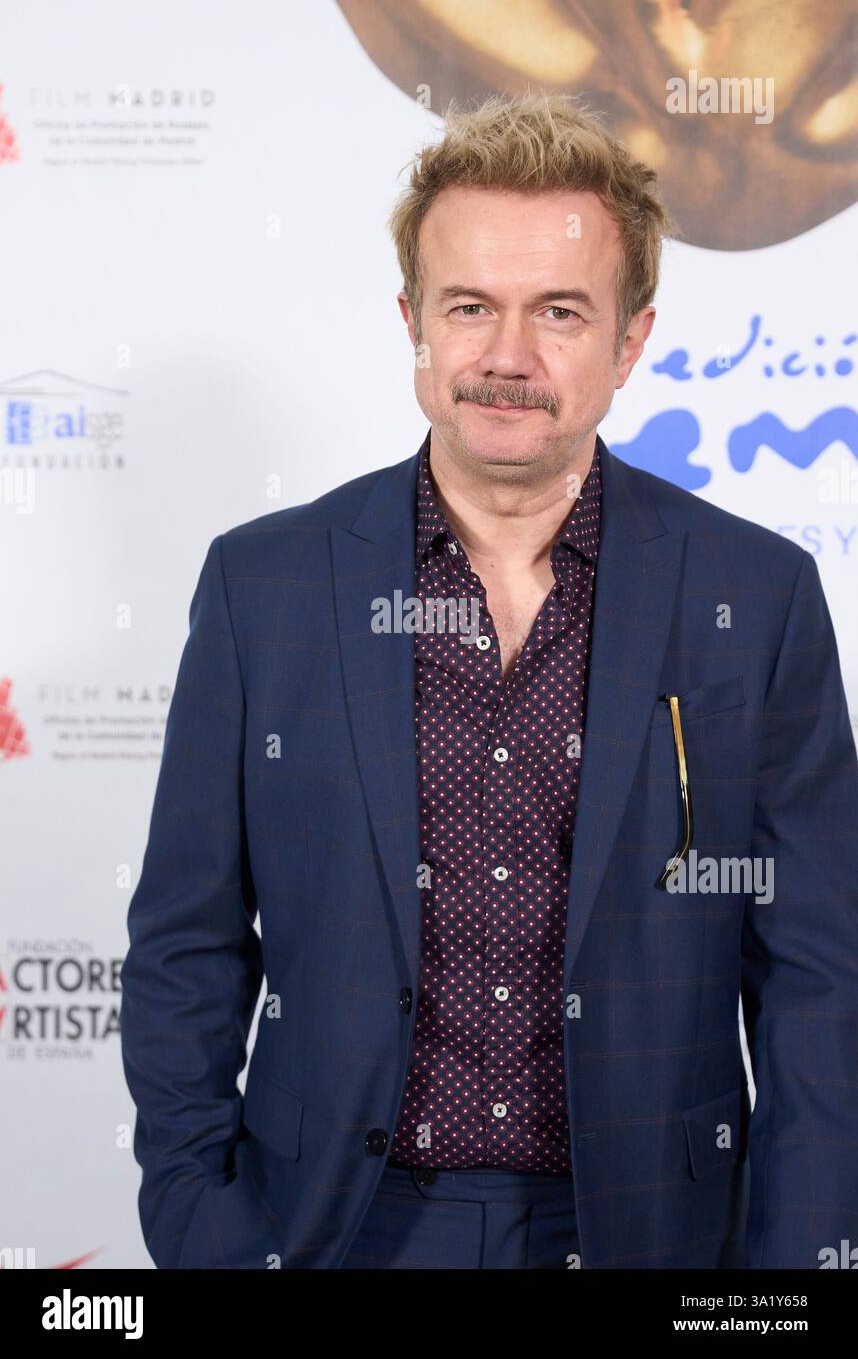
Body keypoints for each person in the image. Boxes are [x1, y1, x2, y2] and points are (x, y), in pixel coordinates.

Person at [120, 90, 858, 1269]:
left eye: (558, 312)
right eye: (470, 307)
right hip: (333, 1234)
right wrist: (203, 1226)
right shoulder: (264, 587)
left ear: (630, 340)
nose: (506, 358)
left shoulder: (753, 596)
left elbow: (819, 978)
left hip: (651, 1241)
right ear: (413, 321)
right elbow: (186, 945)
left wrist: (792, 1276)